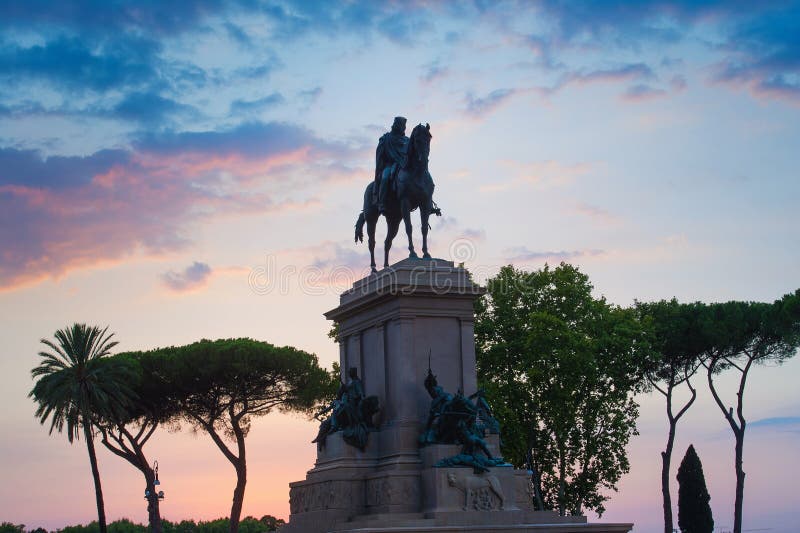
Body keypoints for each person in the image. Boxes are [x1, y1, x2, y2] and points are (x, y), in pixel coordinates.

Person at [374, 116, 409, 214]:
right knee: (385, 178)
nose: (402, 127)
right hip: (390, 165)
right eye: (400, 125)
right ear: (395, 125)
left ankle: (428, 203)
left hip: (405, 165)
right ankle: (381, 203)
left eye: (403, 125)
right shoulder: (386, 138)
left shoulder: (407, 140)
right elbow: (380, 155)